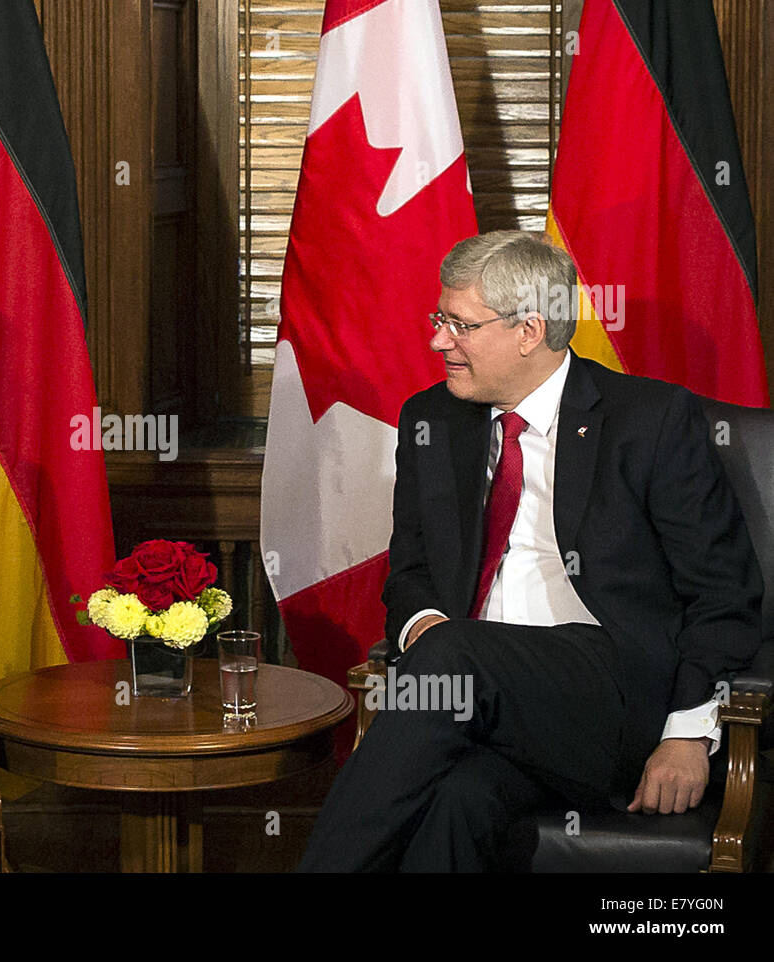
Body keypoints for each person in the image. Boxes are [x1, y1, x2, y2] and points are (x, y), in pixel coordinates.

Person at [299, 230, 762, 871]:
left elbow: (723, 591)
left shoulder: (649, 420)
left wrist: (687, 732)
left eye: (459, 325)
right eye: (439, 320)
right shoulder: (431, 419)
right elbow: (410, 572)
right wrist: (425, 625)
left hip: (609, 697)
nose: (438, 341)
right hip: (474, 703)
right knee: (458, 804)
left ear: (529, 330)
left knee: (453, 654)